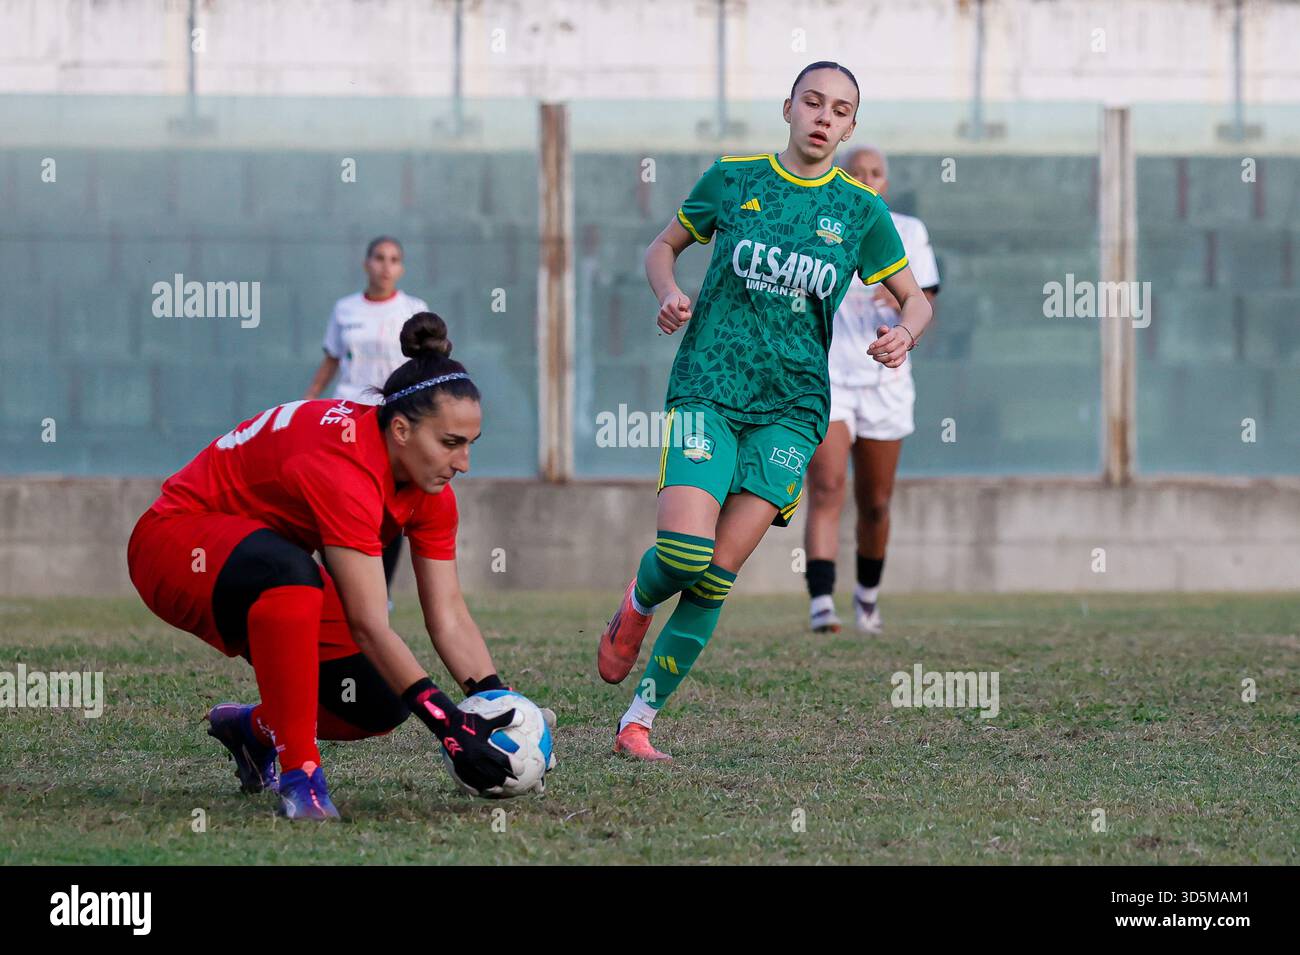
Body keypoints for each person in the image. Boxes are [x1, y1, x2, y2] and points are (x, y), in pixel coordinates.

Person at [595, 61, 934, 760]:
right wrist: (668, 291)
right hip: (709, 387)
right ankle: (635, 603)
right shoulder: (733, 178)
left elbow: (917, 296)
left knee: (717, 573)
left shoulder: (861, 213)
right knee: (685, 553)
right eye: (813, 102)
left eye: (839, 110)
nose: (823, 117)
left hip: (793, 408)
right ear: (788, 107)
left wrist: (906, 331)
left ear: (850, 126)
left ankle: (639, 721)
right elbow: (663, 246)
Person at [130, 313, 518, 819]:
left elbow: (447, 614)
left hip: (267, 564)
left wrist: (497, 707)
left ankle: (255, 731)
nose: (463, 461)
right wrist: (448, 725)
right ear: (400, 429)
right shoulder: (346, 467)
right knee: (291, 574)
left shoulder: (430, 490)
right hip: (174, 544)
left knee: (379, 700)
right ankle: (300, 774)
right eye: (450, 443)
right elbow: (369, 623)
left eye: (471, 444)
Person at [804, 146, 941, 634]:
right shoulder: (820, 220)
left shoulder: (908, 232)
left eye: (875, 173)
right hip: (831, 376)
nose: (866, 179)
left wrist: (903, 304)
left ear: (886, 180)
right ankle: (822, 603)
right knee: (826, 486)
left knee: (876, 501)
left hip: (885, 378)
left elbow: (925, 303)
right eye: (856, 172)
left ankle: (867, 598)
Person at [304, 236, 430, 590]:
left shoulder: (413, 308)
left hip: (393, 420)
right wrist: (310, 400)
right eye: (379, 258)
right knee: (338, 500)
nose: (385, 266)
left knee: (387, 508)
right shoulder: (345, 309)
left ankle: (380, 592)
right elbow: (331, 359)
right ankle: (338, 587)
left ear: (401, 268)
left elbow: (424, 364)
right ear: (366, 263)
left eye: (393, 259)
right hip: (349, 418)